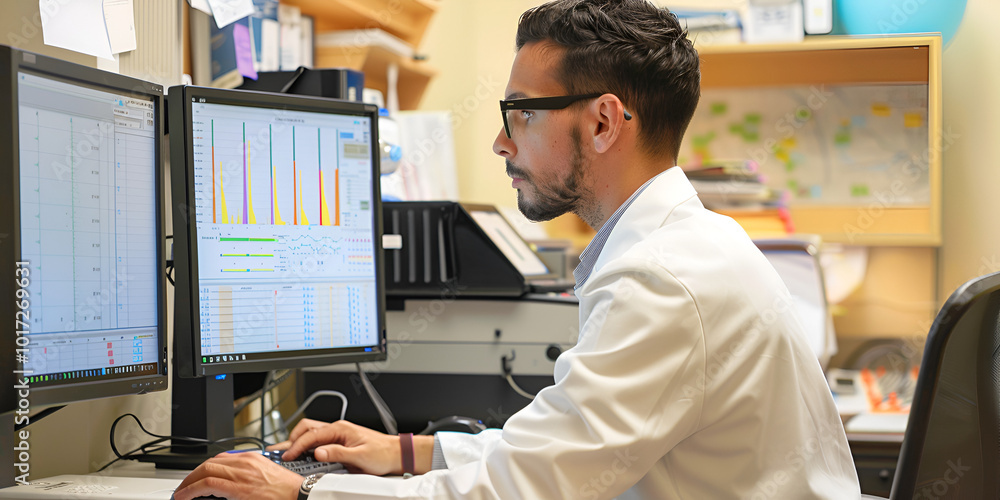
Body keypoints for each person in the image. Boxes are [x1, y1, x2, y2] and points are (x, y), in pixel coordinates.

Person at [174, 1, 862, 498]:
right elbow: (564, 447)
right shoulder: (686, 247)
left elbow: (528, 489)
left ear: (602, 122)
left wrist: (302, 495)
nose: (502, 143)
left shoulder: (665, 279)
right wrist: (412, 450)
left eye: (520, 114)